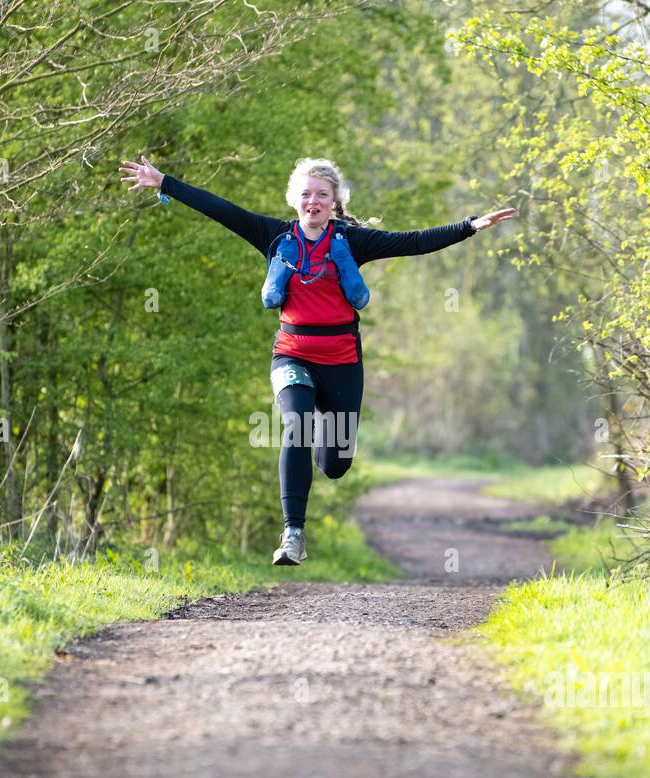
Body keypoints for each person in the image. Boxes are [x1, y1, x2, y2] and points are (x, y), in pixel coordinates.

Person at [119, 154, 514, 565]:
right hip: (292, 354)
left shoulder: (351, 240)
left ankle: (328, 433)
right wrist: (164, 181)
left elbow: (413, 241)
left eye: (322, 195)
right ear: (294, 199)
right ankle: (293, 535)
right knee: (296, 427)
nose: (313, 202)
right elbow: (220, 209)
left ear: (334, 201)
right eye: (306, 194)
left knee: (336, 463)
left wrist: (469, 226)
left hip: (341, 360)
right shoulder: (274, 236)